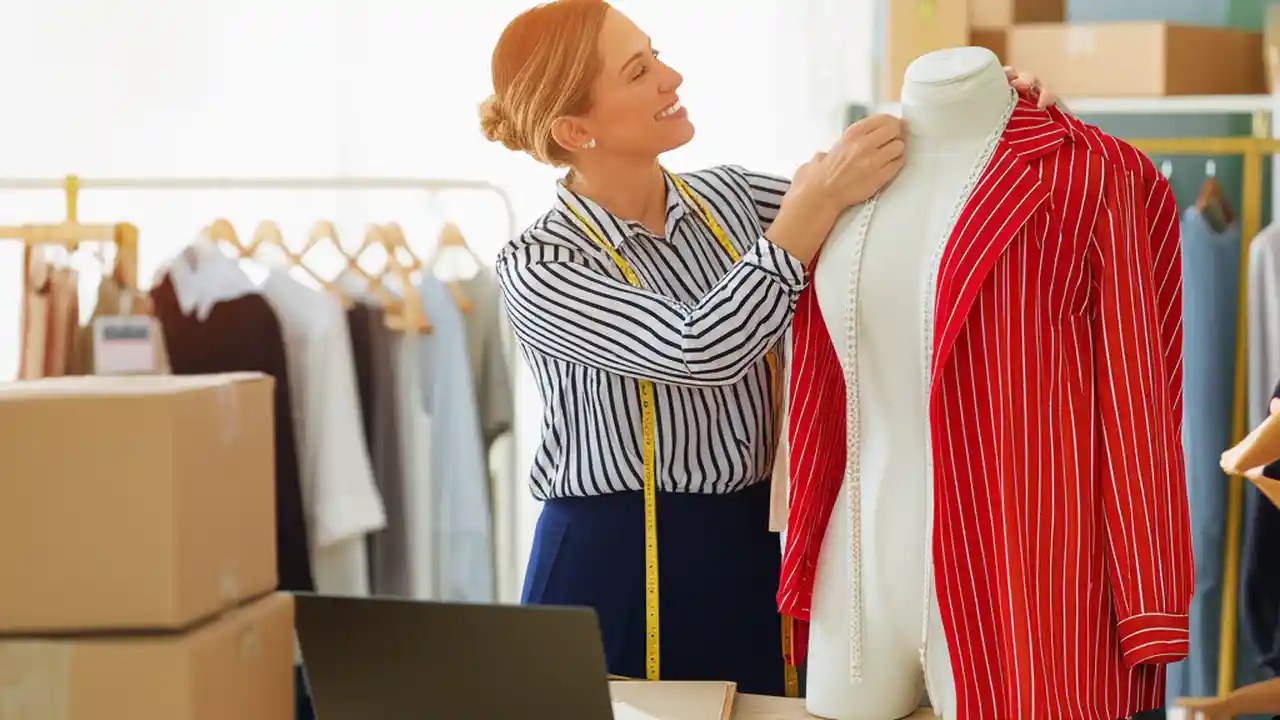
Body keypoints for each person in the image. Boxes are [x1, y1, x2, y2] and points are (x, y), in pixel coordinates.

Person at [480, 0, 1054, 696]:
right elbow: (699, 349)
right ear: (576, 128)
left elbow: (885, 201)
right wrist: (799, 224)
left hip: (749, 543)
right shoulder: (537, 263)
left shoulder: (729, 199)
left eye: (655, 53)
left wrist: (989, 116)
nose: (672, 76)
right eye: (639, 71)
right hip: (610, 561)